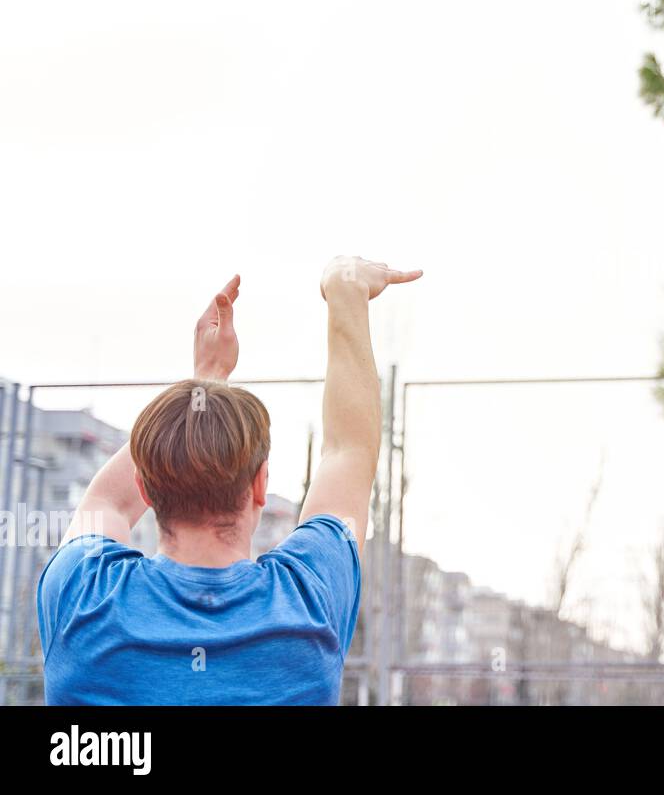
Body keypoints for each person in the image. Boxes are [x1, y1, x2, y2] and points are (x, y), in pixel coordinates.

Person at [36, 256, 422, 704]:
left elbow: (107, 502)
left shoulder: (83, 596)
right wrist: (346, 292)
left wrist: (204, 381)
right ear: (259, 485)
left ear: (145, 487)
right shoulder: (306, 600)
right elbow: (349, 449)